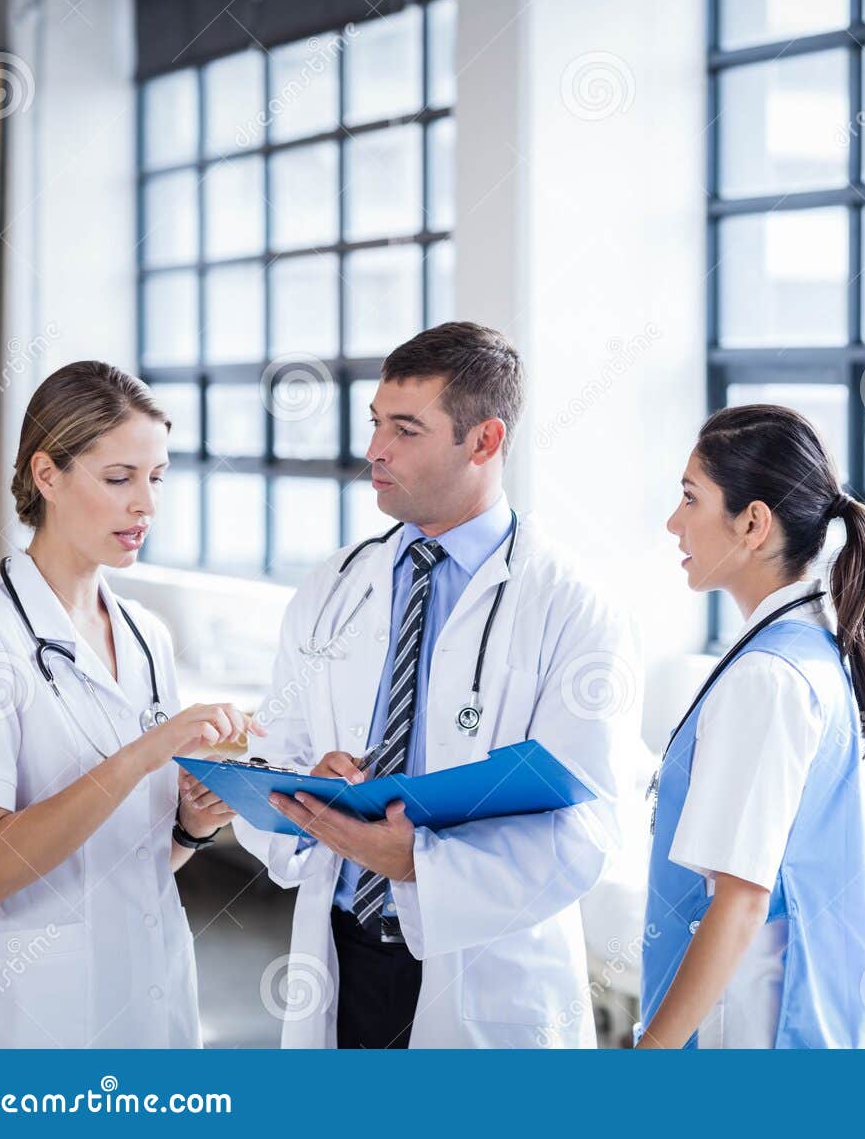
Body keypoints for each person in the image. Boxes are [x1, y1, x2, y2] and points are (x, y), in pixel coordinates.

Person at [231, 322, 640, 1049]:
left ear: (483, 441)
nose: (375, 451)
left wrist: (419, 864)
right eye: (376, 423)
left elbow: (590, 828)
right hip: (342, 955)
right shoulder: (335, 584)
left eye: (406, 429)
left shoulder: (570, 604)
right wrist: (307, 791)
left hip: (487, 972)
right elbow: (272, 755)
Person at [0, 360, 262, 1049]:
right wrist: (146, 751)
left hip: (152, 1007)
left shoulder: (147, 637)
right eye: (119, 478)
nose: (145, 504)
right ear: (47, 475)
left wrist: (188, 825)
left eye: (156, 478)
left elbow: (133, 861)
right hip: (33, 1021)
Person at [638, 403, 865, 1049]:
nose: (674, 523)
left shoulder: (769, 677)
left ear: (753, 522)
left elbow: (741, 900)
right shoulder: (802, 651)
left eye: (690, 498)